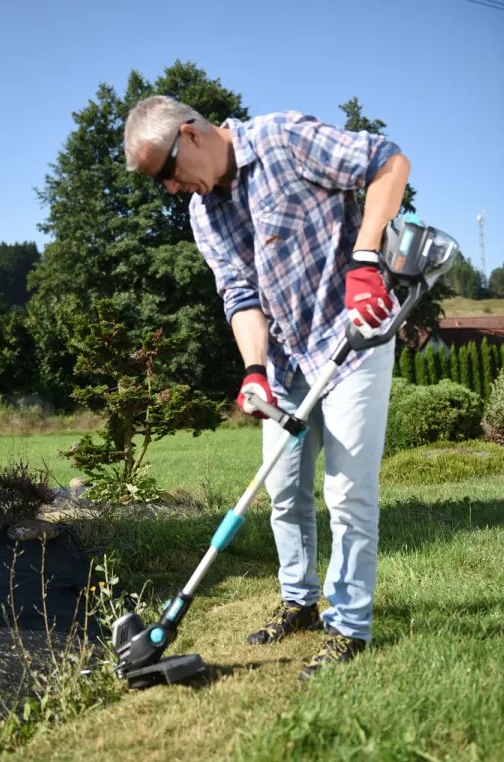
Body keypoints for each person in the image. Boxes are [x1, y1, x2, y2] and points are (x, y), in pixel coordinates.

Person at [124, 96, 410, 679]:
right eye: (160, 182)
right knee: (284, 491)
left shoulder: (282, 140)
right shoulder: (204, 215)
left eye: (167, 171)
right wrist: (254, 368)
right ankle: (299, 601)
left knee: (347, 493)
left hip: (350, 337)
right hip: (283, 361)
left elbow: (387, 162)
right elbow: (240, 295)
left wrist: (365, 258)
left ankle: (348, 626)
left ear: (191, 135)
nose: (171, 188)